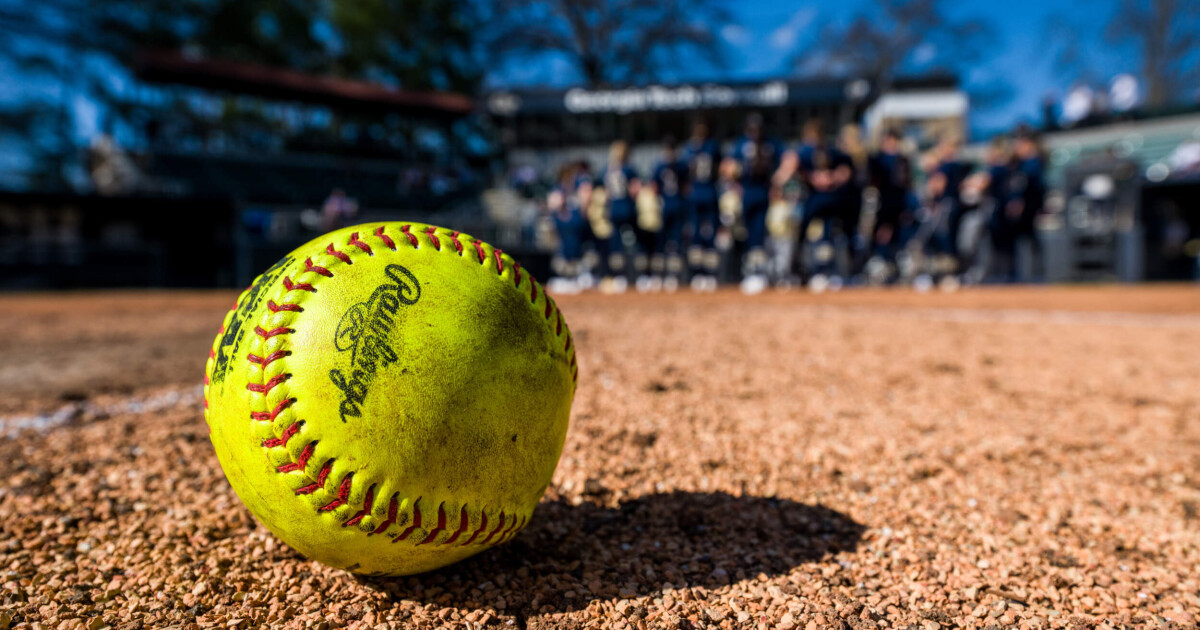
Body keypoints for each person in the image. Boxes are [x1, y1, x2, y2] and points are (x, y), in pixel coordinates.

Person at [794, 119, 852, 283]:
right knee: (804, 235)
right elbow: (795, 168)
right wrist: (812, 178)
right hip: (811, 199)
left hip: (828, 199)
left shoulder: (832, 152)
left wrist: (832, 177)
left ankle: (825, 271)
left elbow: (846, 170)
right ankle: (803, 270)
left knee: (827, 236)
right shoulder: (805, 153)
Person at [732, 114, 783, 294]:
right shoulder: (742, 144)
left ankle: (759, 273)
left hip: (762, 191)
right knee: (747, 233)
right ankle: (749, 271)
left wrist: (777, 181)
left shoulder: (770, 144)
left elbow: (787, 159)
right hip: (747, 192)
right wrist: (734, 181)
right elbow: (730, 166)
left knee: (759, 232)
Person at [1000, 127, 1046, 282]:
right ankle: (1014, 275)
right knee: (1015, 241)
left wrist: (1019, 201)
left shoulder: (1034, 162)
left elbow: (1028, 186)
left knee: (1031, 241)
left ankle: (1036, 275)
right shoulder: (1017, 163)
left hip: (1029, 207)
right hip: (1020, 207)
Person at [683, 119, 722, 291]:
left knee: (706, 235)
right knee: (700, 235)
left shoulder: (697, 148)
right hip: (702, 195)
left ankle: (706, 273)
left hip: (704, 194)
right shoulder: (701, 148)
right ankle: (701, 273)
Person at [598, 141, 641, 293]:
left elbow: (606, 192)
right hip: (627, 207)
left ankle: (618, 276)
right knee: (635, 241)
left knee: (616, 244)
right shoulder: (628, 169)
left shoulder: (606, 170)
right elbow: (635, 189)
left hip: (614, 209)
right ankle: (636, 275)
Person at [867, 129, 913, 269]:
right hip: (883, 202)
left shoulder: (902, 160)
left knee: (900, 232)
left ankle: (897, 260)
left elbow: (906, 182)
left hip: (900, 202)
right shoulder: (877, 159)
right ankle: (881, 258)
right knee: (882, 232)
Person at [650, 136, 690, 291]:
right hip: (667, 207)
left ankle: (672, 276)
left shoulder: (677, 166)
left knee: (674, 242)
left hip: (673, 207)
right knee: (662, 242)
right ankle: (659, 275)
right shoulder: (665, 166)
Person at [548, 164, 589, 289]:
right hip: (564, 224)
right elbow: (553, 205)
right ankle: (565, 277)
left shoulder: (577, 187)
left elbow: (584, 201)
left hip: (575, 223)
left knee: (577, 249)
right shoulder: (559, 189)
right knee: (564, 250)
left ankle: (577, 277)